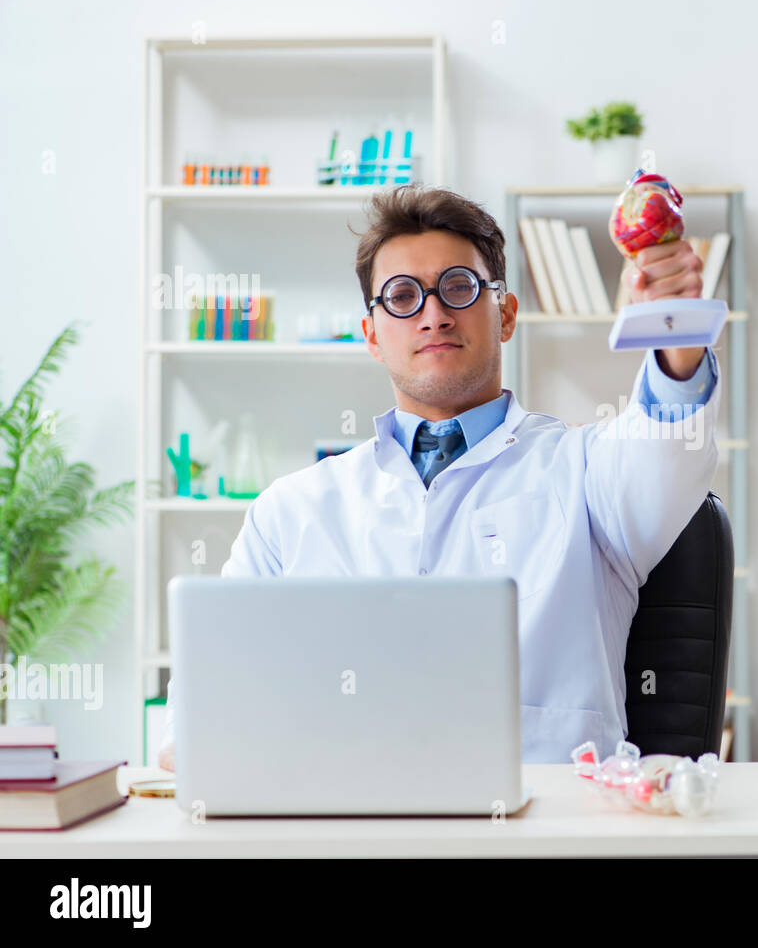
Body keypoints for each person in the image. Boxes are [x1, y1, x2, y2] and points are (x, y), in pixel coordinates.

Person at [158, 184, 718, 769]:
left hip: (547, 839)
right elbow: (204, 697)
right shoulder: (291, 510)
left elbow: (667, 445)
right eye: (402, 296)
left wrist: (673, 335)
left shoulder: (588, 470)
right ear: (372, 335)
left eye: (458, 286)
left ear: (504, 314)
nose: (433, 313)